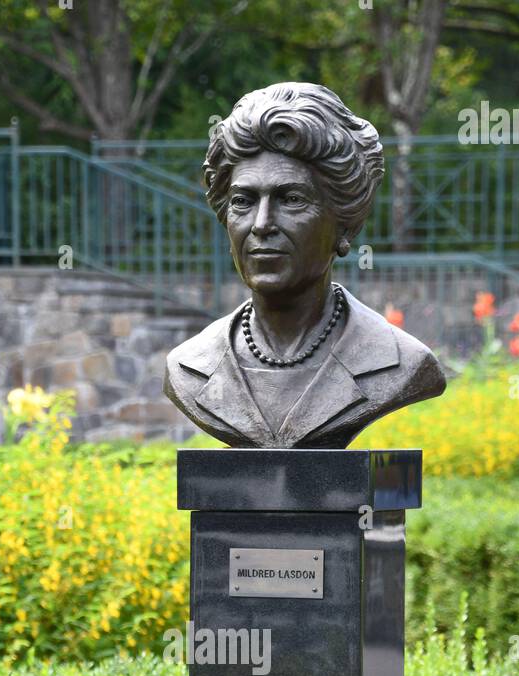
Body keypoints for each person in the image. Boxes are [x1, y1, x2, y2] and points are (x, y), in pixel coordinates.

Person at [164, 82, 446, 448]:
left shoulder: (402, 362)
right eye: (243, 201)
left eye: (292, 199)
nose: (262, 223)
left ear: (345, 221)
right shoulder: (190, 366)